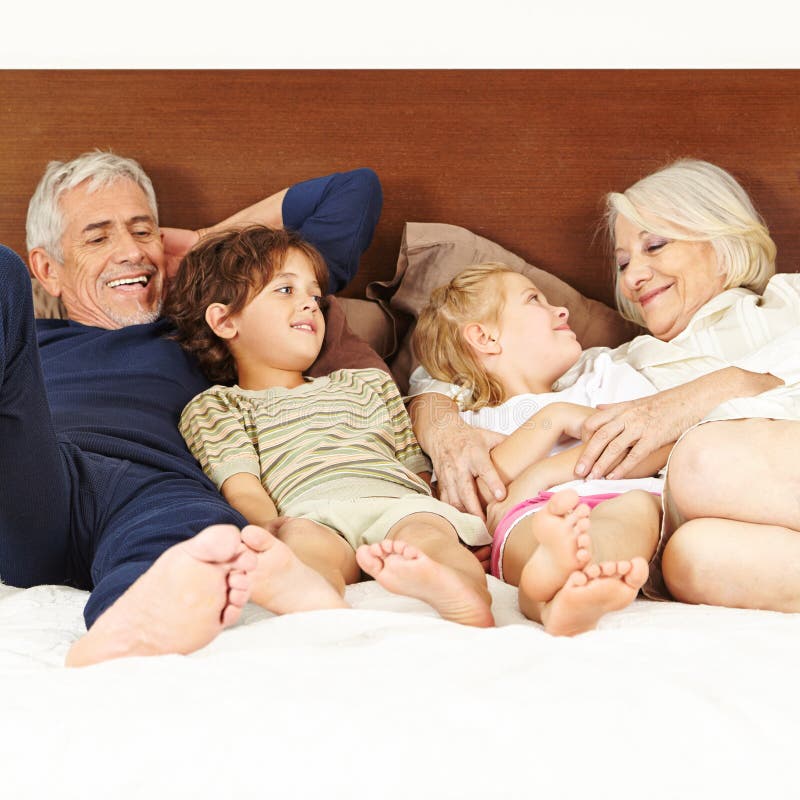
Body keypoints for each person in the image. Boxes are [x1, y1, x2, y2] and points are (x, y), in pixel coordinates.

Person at [1, 149, 383, 666]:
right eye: (98, 237)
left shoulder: (209, 326)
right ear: (47, 269)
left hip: (155, 483)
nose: (130, 253)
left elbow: (352, 193)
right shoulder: (26, 336)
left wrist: (210, 247)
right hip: (36, 472)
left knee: (198, 528)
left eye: (143, 232)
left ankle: (128, 624)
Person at [409, 158, 800, 611]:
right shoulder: (613, 365)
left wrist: (724, 386)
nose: (633, 277)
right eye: (622, 262)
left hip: (739, 467)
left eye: (654, 246)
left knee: (700, 460)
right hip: (689, 515)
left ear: (719, 236)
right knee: (693, 558)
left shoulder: (788, 300)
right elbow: (444, 372)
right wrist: (443, 427)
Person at [168, 225, 494, 629]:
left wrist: (447, 518)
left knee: (430, 537)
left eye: (315, 297)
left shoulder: (366, 382)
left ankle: (462, 591)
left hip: (396, 500)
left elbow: (417, 468)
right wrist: (269, 530)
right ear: (225, 320)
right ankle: (315, 601)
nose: (309, 304)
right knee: (304, 551)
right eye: (286, 290)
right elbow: (242, 485)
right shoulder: (216, 405)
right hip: (310, 513)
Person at [412, 262, 664, 634]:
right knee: (533, 531)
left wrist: (539, 473)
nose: (561, 310)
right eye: (534, 299)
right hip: (527, 520)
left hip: (619, 497)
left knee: (637, 509)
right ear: (485, 338)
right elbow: (483, 493)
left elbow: (657, 445)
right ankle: (544, 591)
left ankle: (566, 582)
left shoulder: (602, 377)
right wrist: (552, 420)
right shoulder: (470, 418)